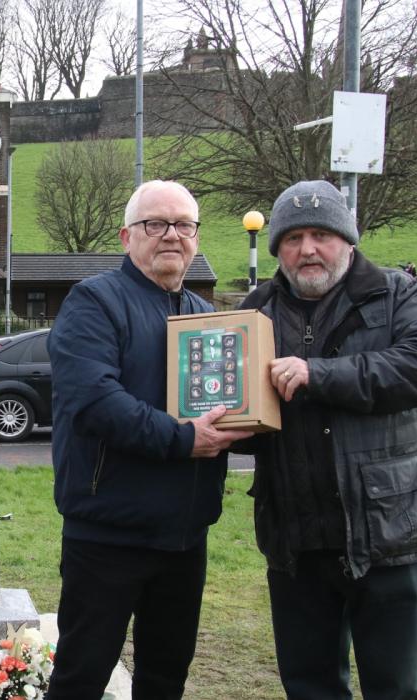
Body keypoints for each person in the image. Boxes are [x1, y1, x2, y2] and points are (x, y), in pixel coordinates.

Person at [237, 180, 417, 698]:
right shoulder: (258, 308)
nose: (307, 249)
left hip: (387, 534)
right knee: (309, 686)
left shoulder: (398, 293)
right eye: (292, 238)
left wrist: (320, 374)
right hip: (296, 538)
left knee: (396, 687)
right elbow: (245, 408)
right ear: (278, 249)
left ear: (348, 240)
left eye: (321, 234)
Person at [46, 180, 252, 700]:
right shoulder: (94, 302)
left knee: (165, 678)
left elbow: (227, 410)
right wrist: (183, 440)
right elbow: (94, 401)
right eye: (154, 224)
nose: (170, 236)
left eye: (183, 225)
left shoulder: (210, 320)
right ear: (126, 236)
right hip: (108, 534)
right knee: (81, 677)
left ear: (196, 239)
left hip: (184, 535)